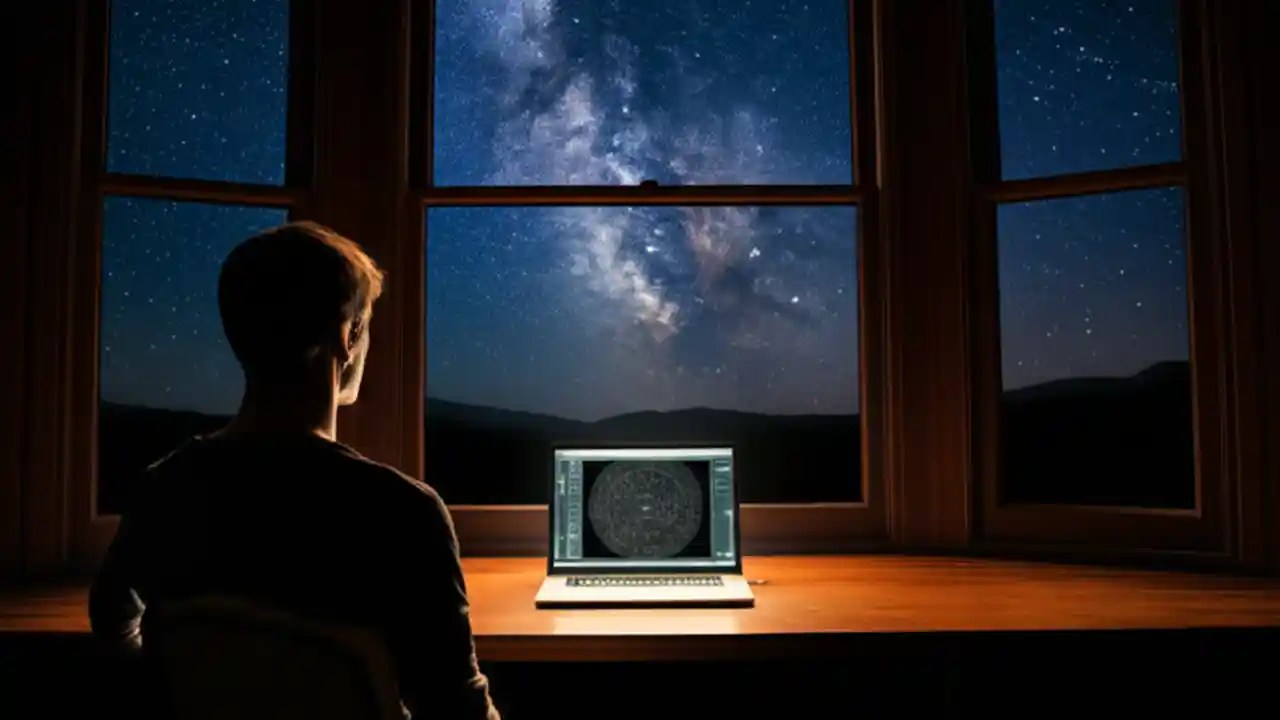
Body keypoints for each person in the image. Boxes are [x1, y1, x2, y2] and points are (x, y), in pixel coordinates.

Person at [89, 221, 500, 720]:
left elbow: (112, 619)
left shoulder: (165, 488)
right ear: (348, 335)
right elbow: (456, 709)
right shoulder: (402, 512)